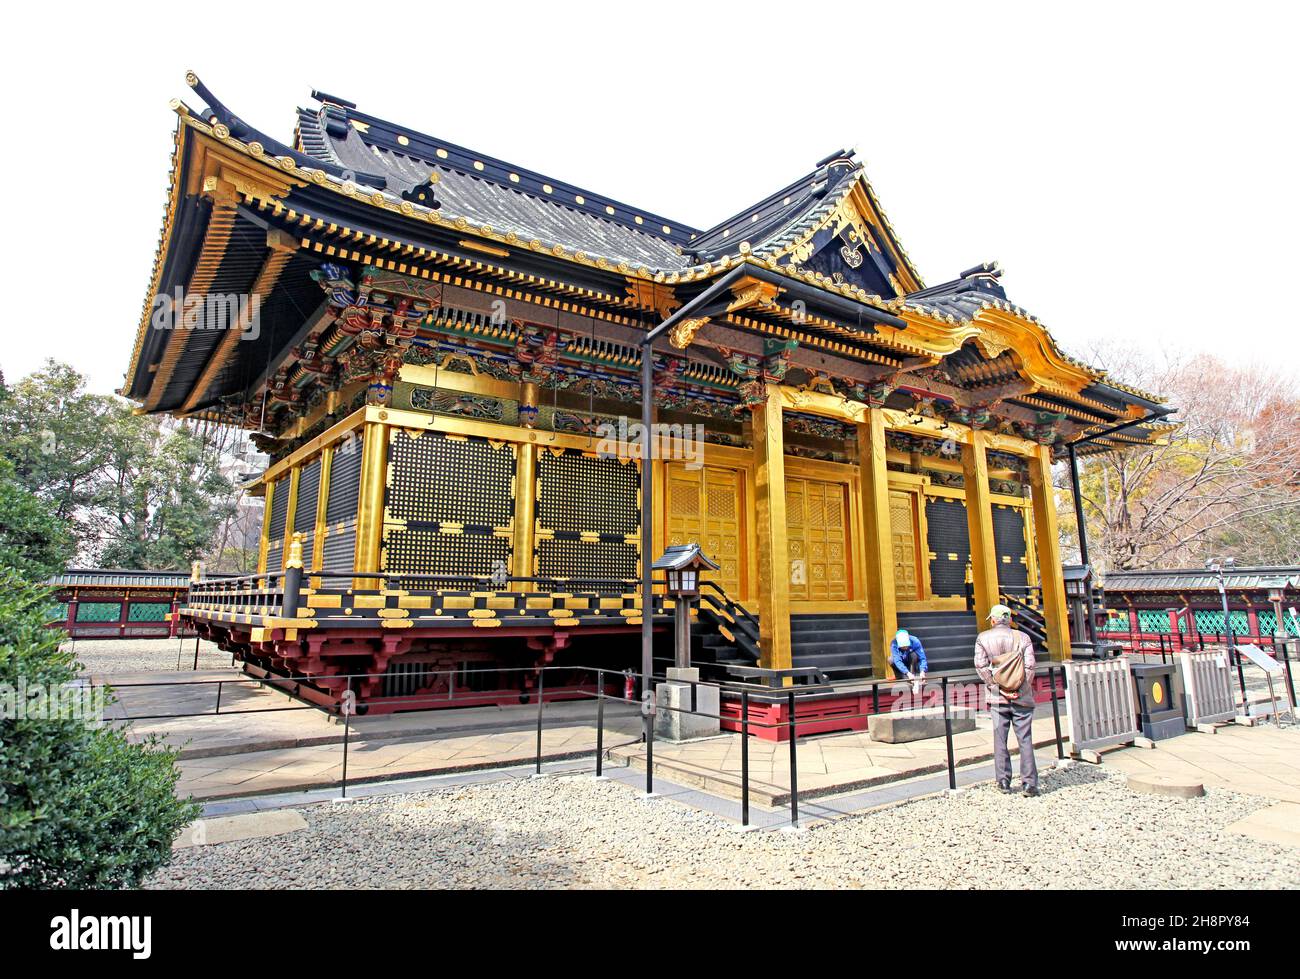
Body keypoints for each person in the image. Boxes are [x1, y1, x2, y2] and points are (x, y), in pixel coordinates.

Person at [974, 604, 1039, 796]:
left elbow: (980, 665)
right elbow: (1030, 666)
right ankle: (1029, 784)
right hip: (1022, 695)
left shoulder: (983, 638)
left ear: (993, 620)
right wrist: (1019, 688)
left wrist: (997, 688)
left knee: (1000, 740)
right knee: (1025, 739)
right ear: (1009, 619)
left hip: (997, 697)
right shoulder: (1023, 637)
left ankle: (1003, 781)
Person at [890, 629, 928, 695]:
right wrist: (907, 673)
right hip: (901, 662)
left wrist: (923, 671)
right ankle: (901, 677)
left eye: (906, 645)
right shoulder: (893, 644)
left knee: (913, 655)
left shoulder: (915, 641)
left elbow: (922, 658)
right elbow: (897, 661)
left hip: (911, 660)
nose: (905, 647)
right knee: (891, 660)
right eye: (903, 646)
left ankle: (912, 676)